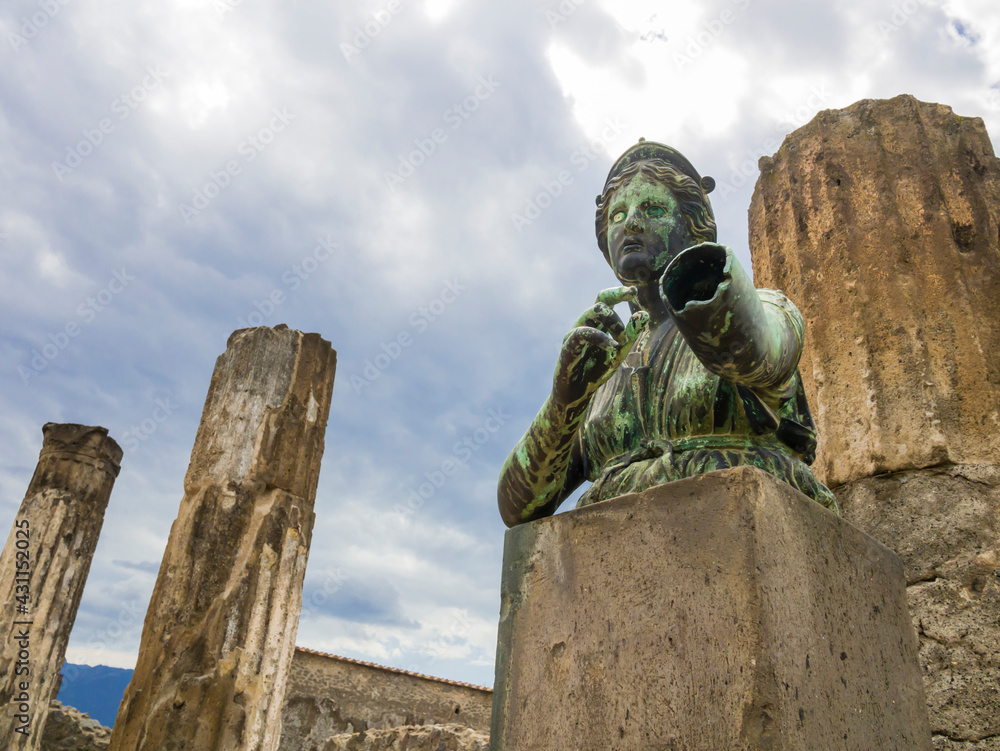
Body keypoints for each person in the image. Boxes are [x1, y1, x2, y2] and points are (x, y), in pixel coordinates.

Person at [497, 139, 836, 528]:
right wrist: (566, 400)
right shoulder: (608, 362)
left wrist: (707, 289)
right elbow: (518, 509)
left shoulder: (765, 308)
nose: (632, 222)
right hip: (608, 553)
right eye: (618, 215)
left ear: (694, 229)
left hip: (738, 526)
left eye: (654, 209)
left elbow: (756, 353)